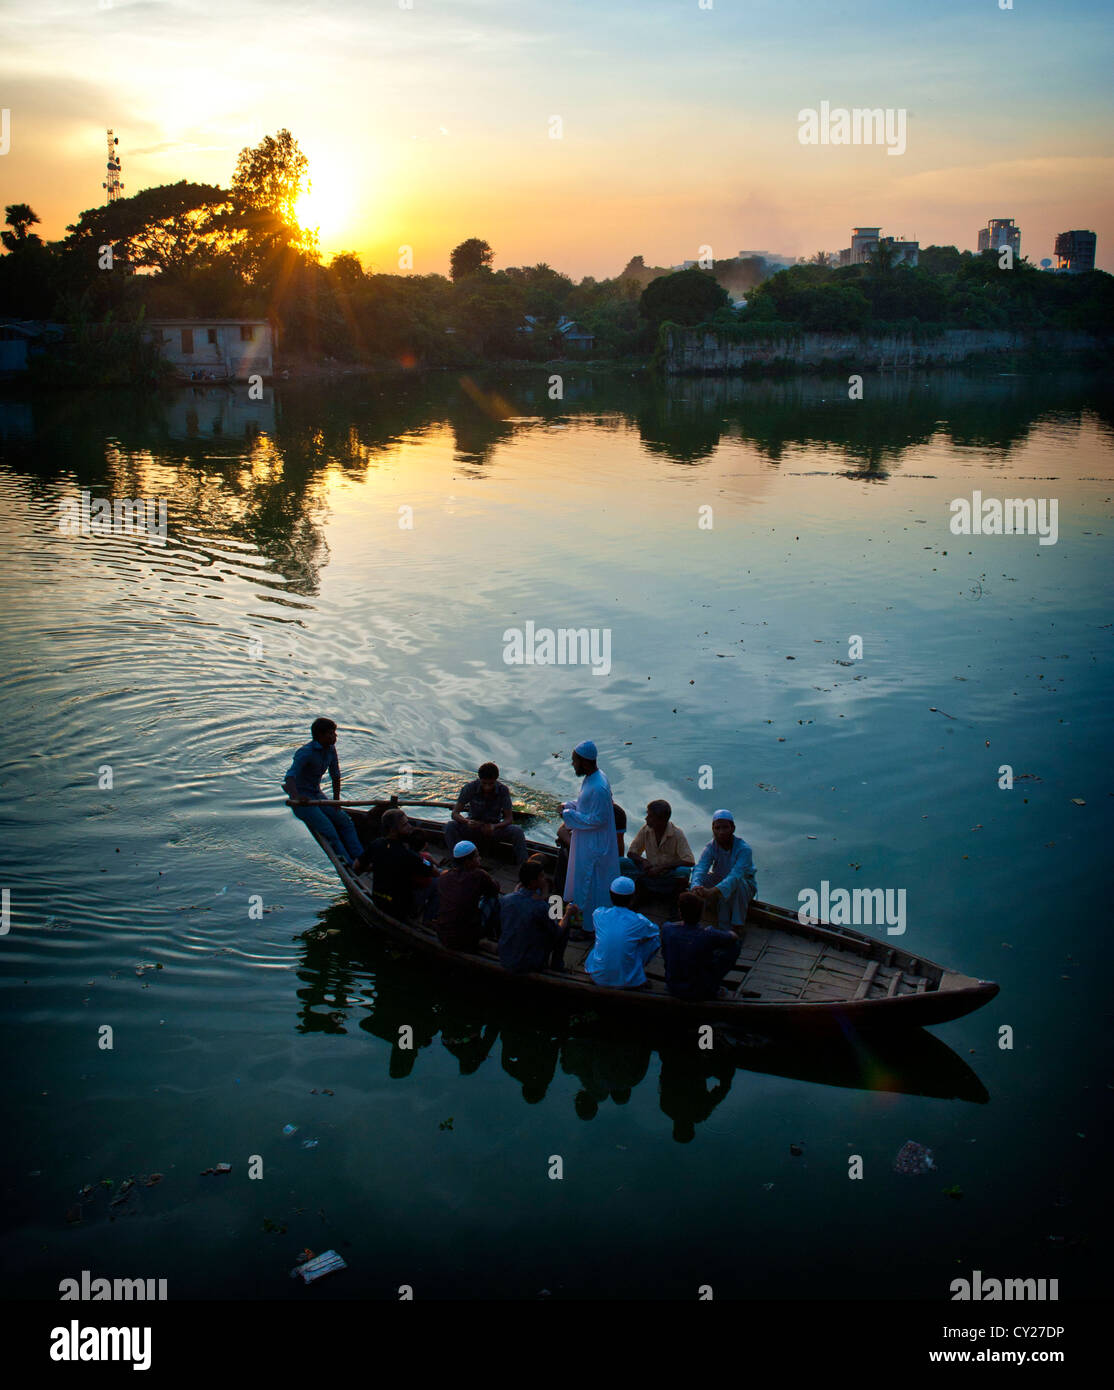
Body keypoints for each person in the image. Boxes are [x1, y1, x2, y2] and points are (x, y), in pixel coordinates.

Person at [283, 717, 364, 867]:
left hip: (316, 794)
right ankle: (350, 864)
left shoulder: (331, 750)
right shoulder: (305, 752)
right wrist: (296, 797)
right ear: (320, 735)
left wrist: (336, 801)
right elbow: (290, 776)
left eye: (335, 733)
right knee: (329, 831)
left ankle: (361, 858)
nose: (335, 737)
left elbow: (336, 775)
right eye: (331, 733)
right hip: (304, 801)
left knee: (346, 822)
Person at [560, 740, 621, 928]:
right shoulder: (592, 778)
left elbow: (598, 819)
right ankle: (580, 920)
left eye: (574, 761)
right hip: (586, 842)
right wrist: (569, 805)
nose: (572, 764)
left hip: (594, 846)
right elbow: (586, 805)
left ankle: (588, 926)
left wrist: (568, 814)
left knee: (589, 885)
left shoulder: (599, 786)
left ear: (584, 761)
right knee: (581, 883)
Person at [355, 808, 439, 920]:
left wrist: (377, 867)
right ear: (392, 830)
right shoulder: (410, 855)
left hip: (378, 900)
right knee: (438, 882)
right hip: (400, 909)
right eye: (405, 825)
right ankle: (428, 919)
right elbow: (435, 872)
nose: (410, 827)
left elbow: (356, 866)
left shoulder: (376, 844)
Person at [661, 891, 742, 1001]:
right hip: (701, 990)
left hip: (673, 986)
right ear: (701, 914)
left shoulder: (667, 928)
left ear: (680, 912)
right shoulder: (708, 934)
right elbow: (734, 937)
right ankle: (714, 986)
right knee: (735, 945)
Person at [497, 859, 573, 975]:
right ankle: (557, 965)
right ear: (533, 882)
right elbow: (557, 932)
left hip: (505, 956)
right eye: (541, 876)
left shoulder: (506, 899)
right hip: (529, 963)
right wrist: (568, 914)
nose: (544, 879)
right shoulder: (540, 907)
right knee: (564, 925)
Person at [444, 762, 528, 864]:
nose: (487, 787)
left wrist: (494, 826)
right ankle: (458, 863)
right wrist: (467, 822)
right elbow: (455, 813)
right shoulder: (470, 788)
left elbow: (509, 819)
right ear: (479, 779)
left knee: (517, 831)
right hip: (473, 827)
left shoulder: (503, 790)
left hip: (493, 829)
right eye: (484, 783)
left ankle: (524, 866)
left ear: (496, 780)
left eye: (491, 784)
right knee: (450, 826)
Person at [585, 876, 660, 989]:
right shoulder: (639, 921)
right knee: (655, 940)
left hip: (597, 977)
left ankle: (599, 971)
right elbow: (655, 931)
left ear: (610, 896)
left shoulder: (598, 914)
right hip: (627, 981)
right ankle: (636, 975)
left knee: (604, 940)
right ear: (633, 898)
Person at [689, 810, 757, 930]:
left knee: (738, 883)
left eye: (725, 827)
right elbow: (701, 868)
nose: (721, 832)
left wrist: (713, 891)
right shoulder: (711, 846)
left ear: (733, 828)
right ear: (713, 829)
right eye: (717, 828)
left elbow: (735, 876)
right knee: (700, 881)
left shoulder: (744, 849)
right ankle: (693, 920)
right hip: (720, 879)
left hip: (744, 885)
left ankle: (737, 925)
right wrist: (696, 886)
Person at [433, 840, 501, 951]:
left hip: (443, 935)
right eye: (477, 856)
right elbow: (495, 889)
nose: (480, 858)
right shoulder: (479, 875)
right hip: (467, 940)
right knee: (494, 900)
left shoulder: (444, 877)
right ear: (468, 862)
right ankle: (493, 935)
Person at [622, 799, 695, 902]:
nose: (646, 818)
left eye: (650, 816)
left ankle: (675, 901)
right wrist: (643, 861)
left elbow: (689, 861)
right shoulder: (646, 829)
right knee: (622, 863)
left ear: (662, 820)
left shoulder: (677, 833)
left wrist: (662, 868)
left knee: (683, 871)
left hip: (668, 875)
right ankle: (636, 894)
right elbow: (631, 852)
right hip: (649, 871)